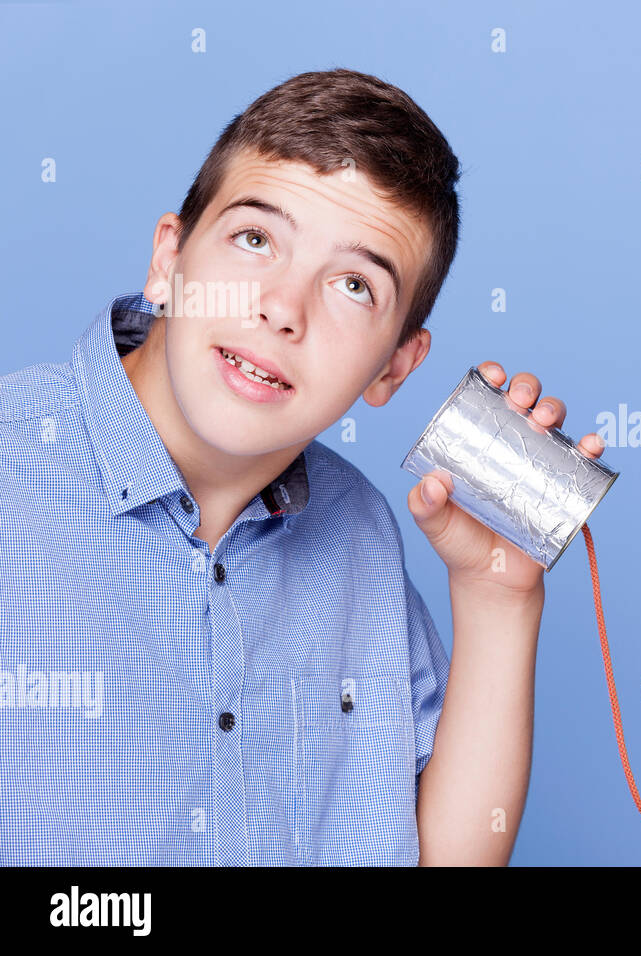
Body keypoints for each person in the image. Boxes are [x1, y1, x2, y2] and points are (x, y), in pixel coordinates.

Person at [0, 68, 604, 865]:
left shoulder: (359, 535)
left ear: (394, 367)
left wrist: (498, 597)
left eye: (354, 285)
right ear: (168, 261)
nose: (284, 309)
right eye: (255, 239)